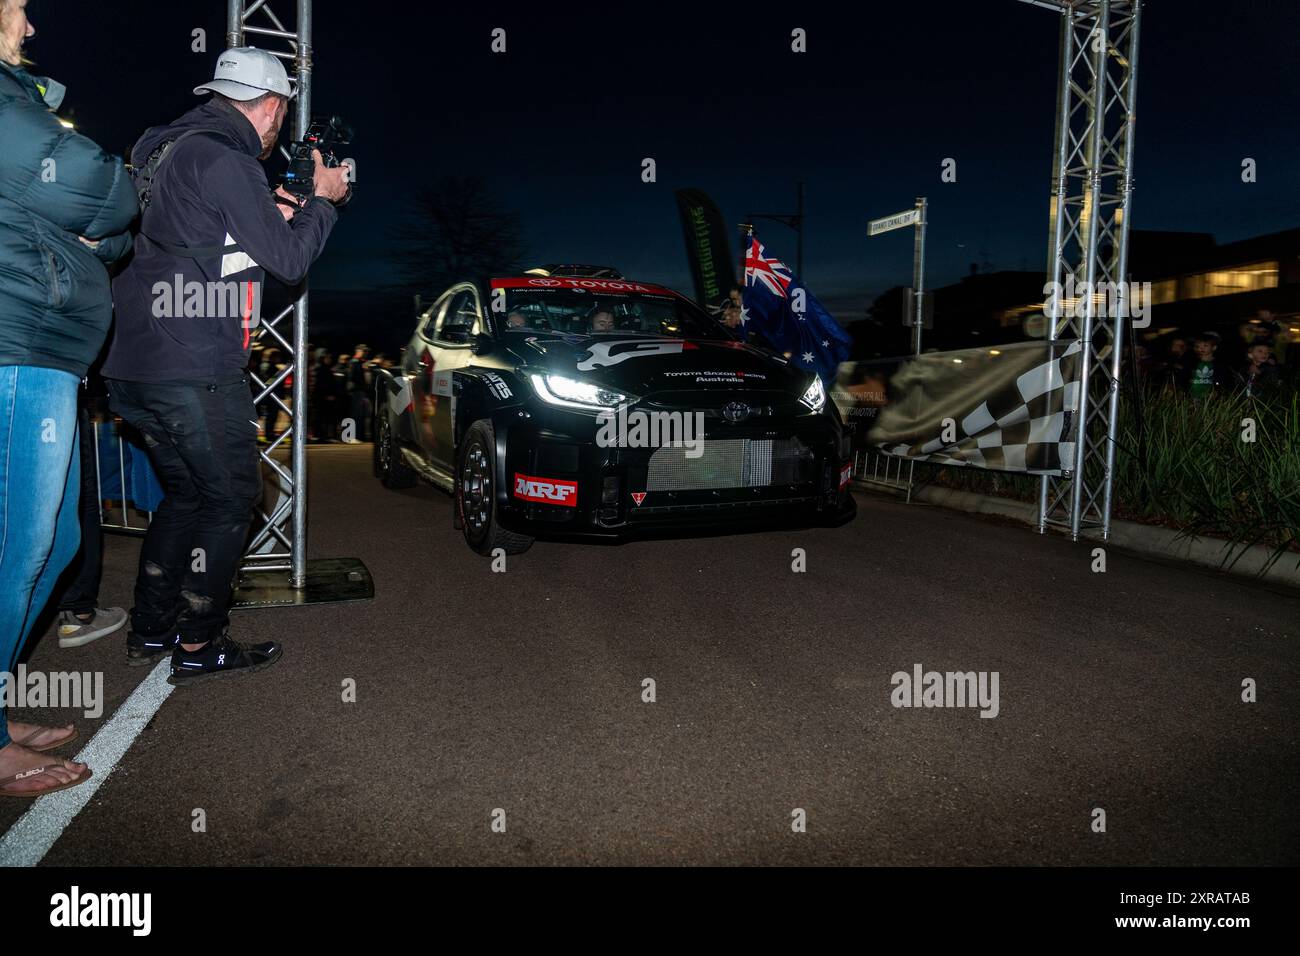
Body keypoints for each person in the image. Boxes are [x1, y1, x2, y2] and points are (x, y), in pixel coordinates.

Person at [99, 47, 350, 685]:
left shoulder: (162, 151)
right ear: (269, 106)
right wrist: (322, 202)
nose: (279, 133)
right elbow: (289, 265)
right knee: (234, 497)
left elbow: (204, 256)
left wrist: (280, 212)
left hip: (133, 362)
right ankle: (199, 643)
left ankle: (151, 629)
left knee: (187, 496)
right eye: (281, 117)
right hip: (193, 365)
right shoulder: (225, 158)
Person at [0, 0, 137, 796]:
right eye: (17, 6)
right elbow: (108, 192)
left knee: (50, 546)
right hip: (18, 341)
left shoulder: (19, 99)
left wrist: (97, 217)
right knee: (20, 548)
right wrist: (102, 194)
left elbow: (112, 233)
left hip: (46, 346)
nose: (29, 24)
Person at [1185, 332, 1230, 399]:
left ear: (1214, 347)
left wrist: (1217, 389)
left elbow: (1221, 380)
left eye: (1205, 346)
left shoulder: (1218, 363)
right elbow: (1186, 378)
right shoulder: (1192, 362)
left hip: (1211, 398)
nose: (1200, 349)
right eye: (1197, 346)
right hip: (1193, 397)